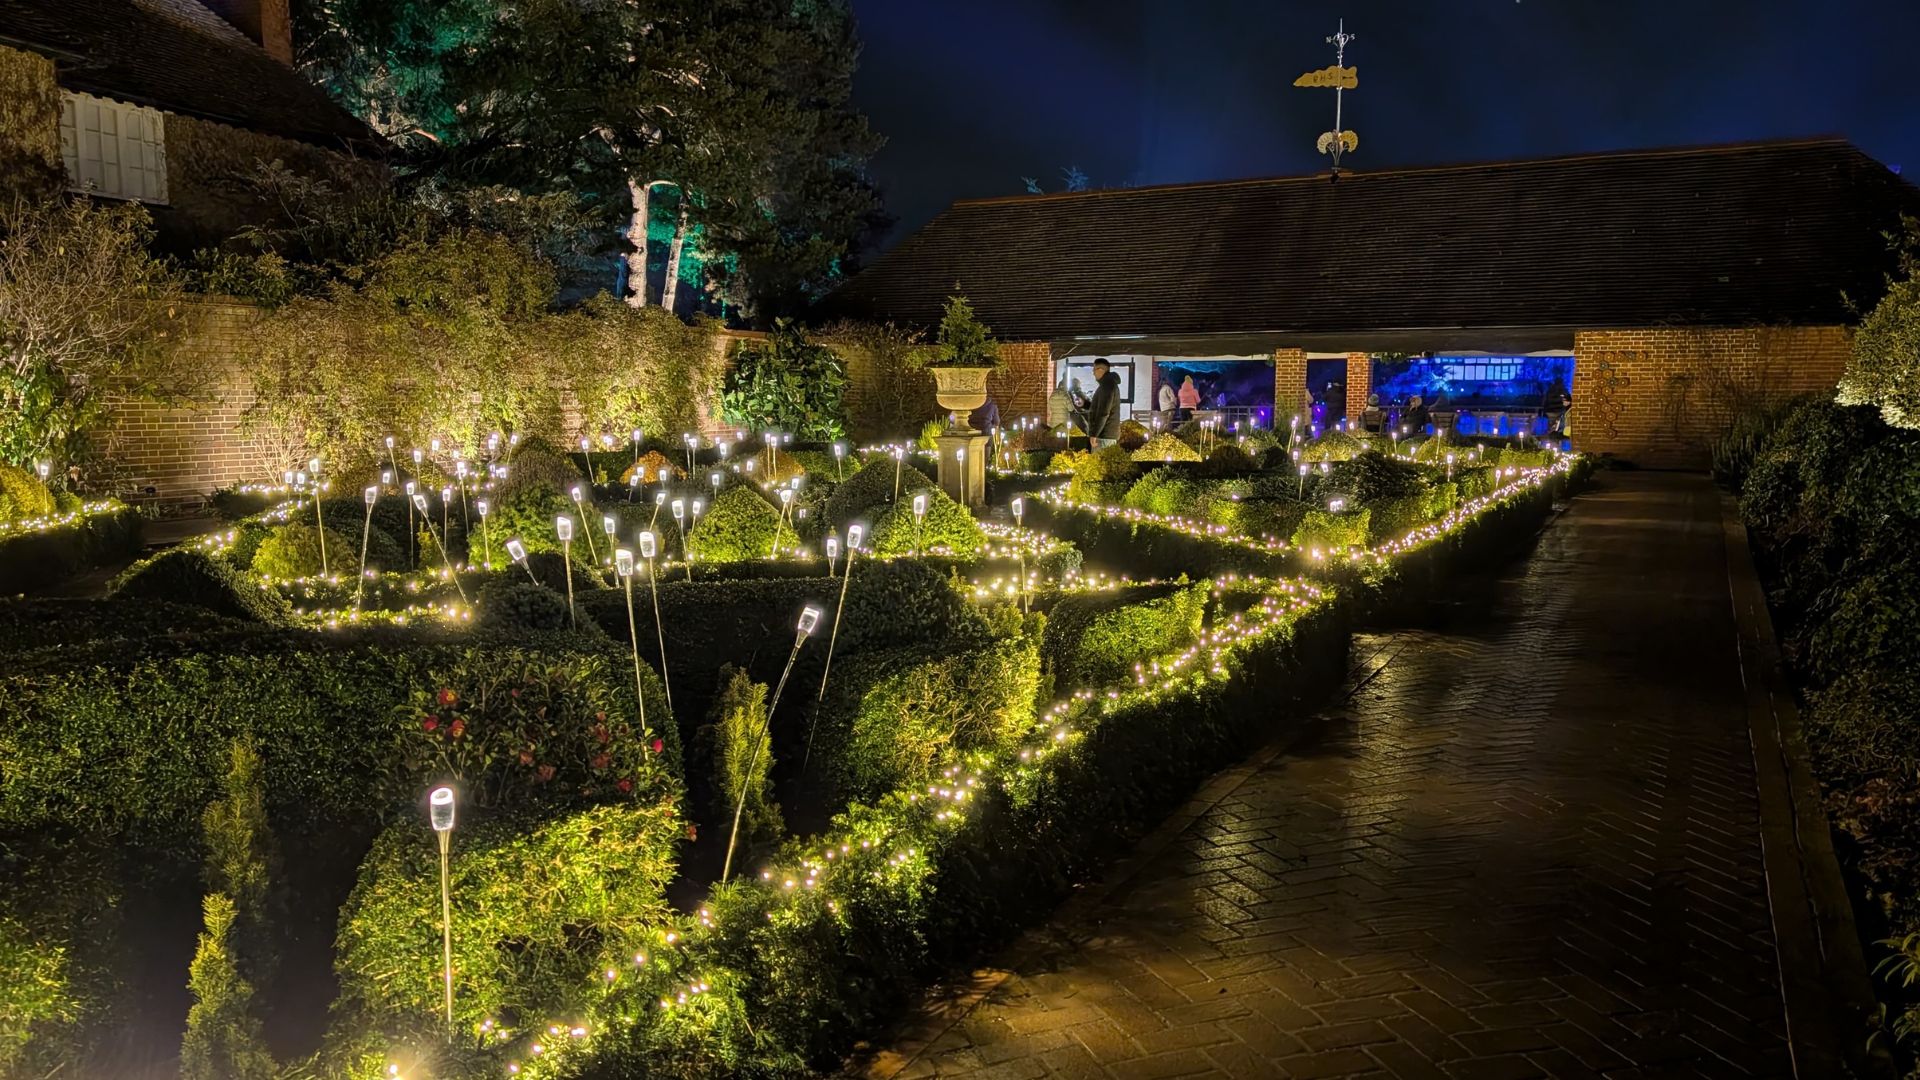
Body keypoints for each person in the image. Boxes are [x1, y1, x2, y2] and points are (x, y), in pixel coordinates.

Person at [1086, 358, 1123, 449]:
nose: (1093, 373)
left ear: (1101, 370)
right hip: (1106, 435)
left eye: (1094, 369)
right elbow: (1099, 407)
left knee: (1099, 462)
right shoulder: (1108, 384)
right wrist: (1085, 404)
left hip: (1104, 435)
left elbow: (1103, 412)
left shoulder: (1107, 386)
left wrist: (1094, 434)